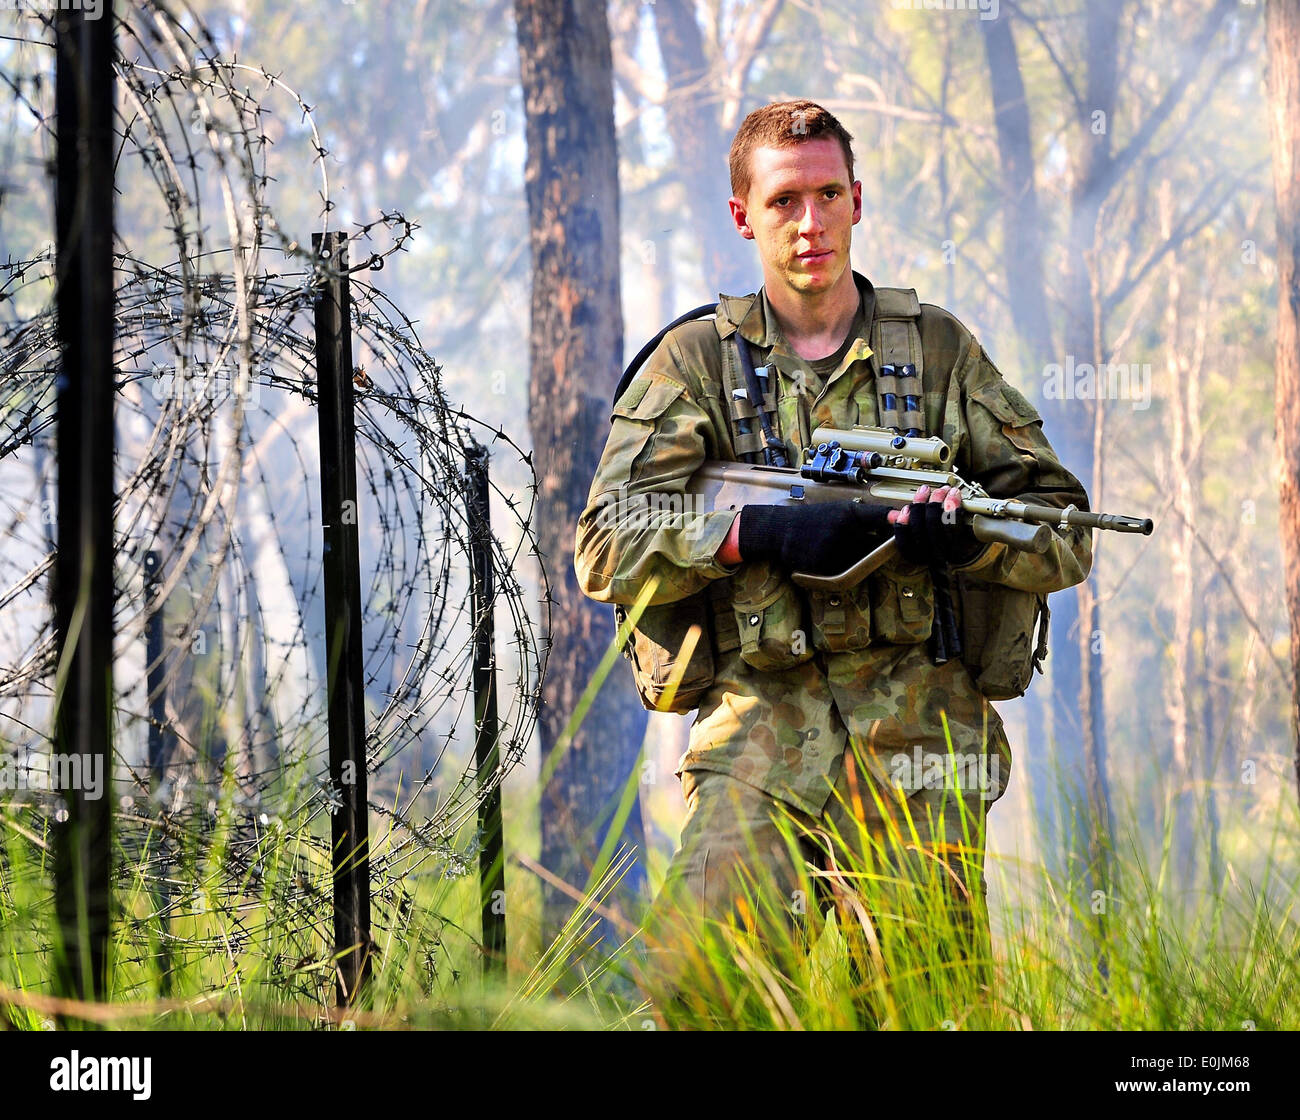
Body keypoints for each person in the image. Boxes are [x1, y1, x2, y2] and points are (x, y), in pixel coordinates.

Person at [573, 99, 1091, 1026]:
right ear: (743, 214)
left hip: (922, 737)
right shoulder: (695, 363)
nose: (810, 224)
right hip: (759, 734)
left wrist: (965, 536)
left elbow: (1064, 527)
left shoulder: (937, 352)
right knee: (695, 1002)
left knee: (925, 1011)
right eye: (784, 202)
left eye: (827, 195)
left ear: (858, 199)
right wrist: (754, 535)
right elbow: (605, 543)